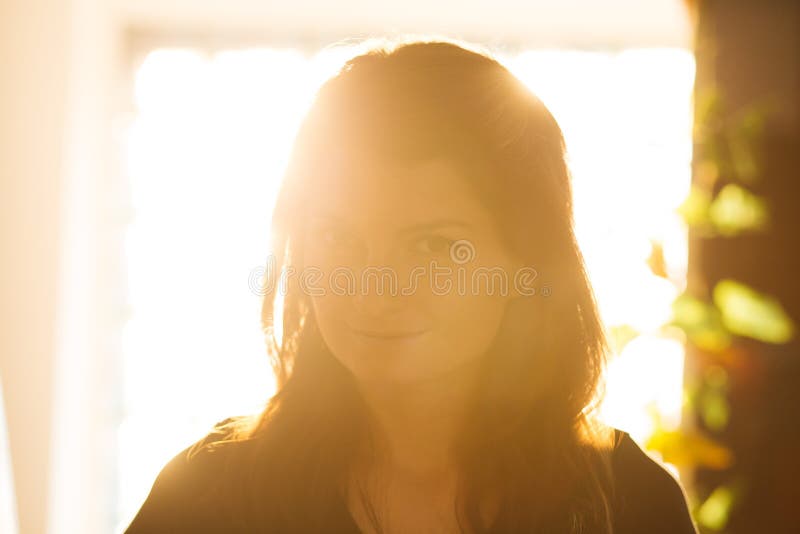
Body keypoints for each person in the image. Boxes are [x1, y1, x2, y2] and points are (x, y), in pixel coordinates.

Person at [124, 36, 698, 534]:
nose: (375, 288)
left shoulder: (627, 507)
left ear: (526, 264)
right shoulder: (209, 495)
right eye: (337, 238)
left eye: (434, 245)